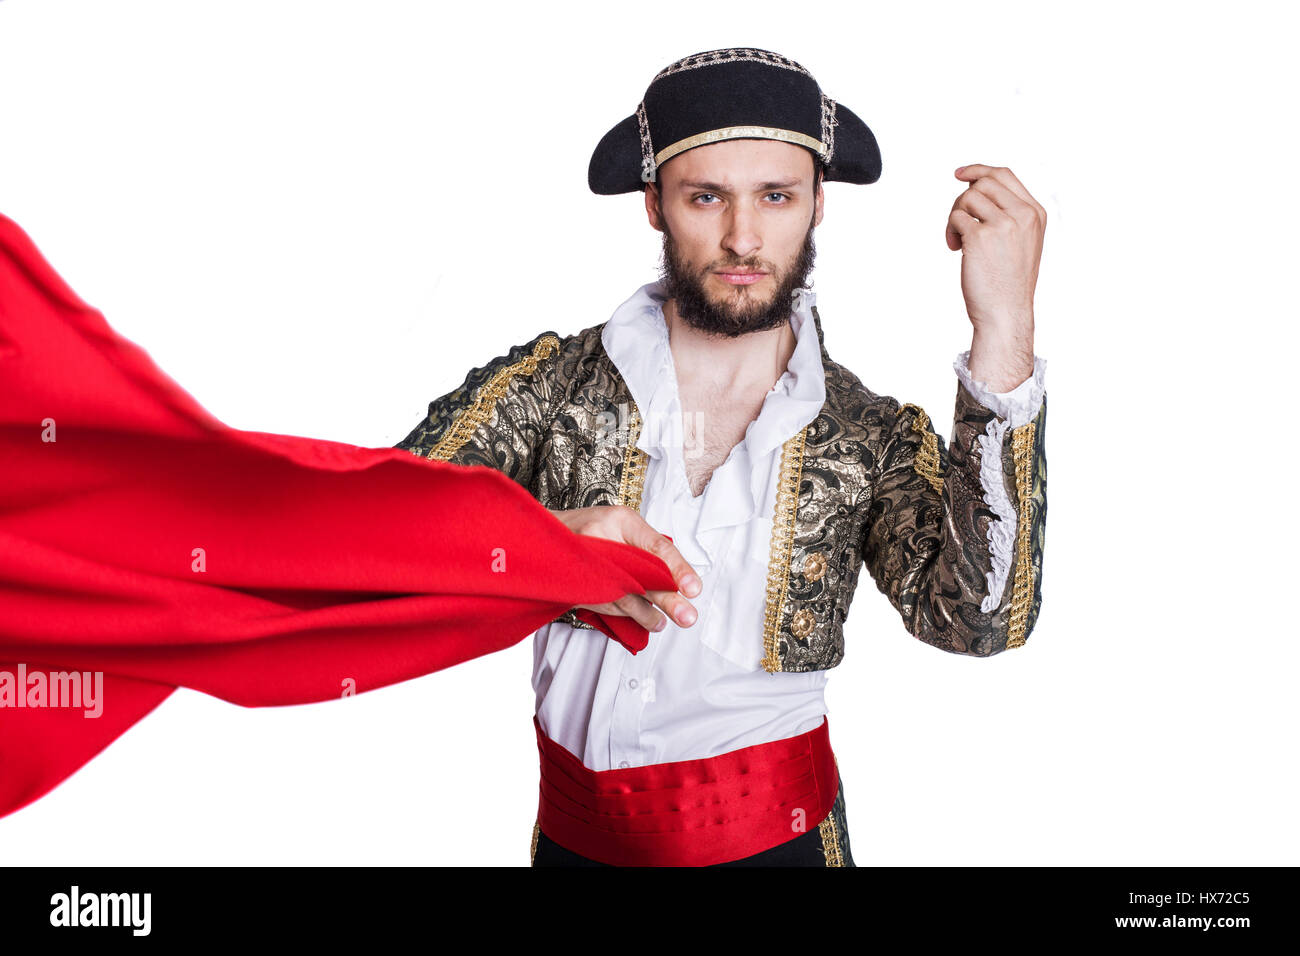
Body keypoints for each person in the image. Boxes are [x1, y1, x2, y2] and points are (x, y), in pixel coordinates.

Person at [395, 46, 1049, 867]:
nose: (744, 238)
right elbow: (370, 538)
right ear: (654, 206)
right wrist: (546, 543)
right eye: (707, 197)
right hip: (574, 847)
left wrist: (1003, 333)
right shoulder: (548, 386)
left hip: (785, 849)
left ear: (817, 203)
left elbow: (982, 623)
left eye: (776, 196)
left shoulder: (869, 434)